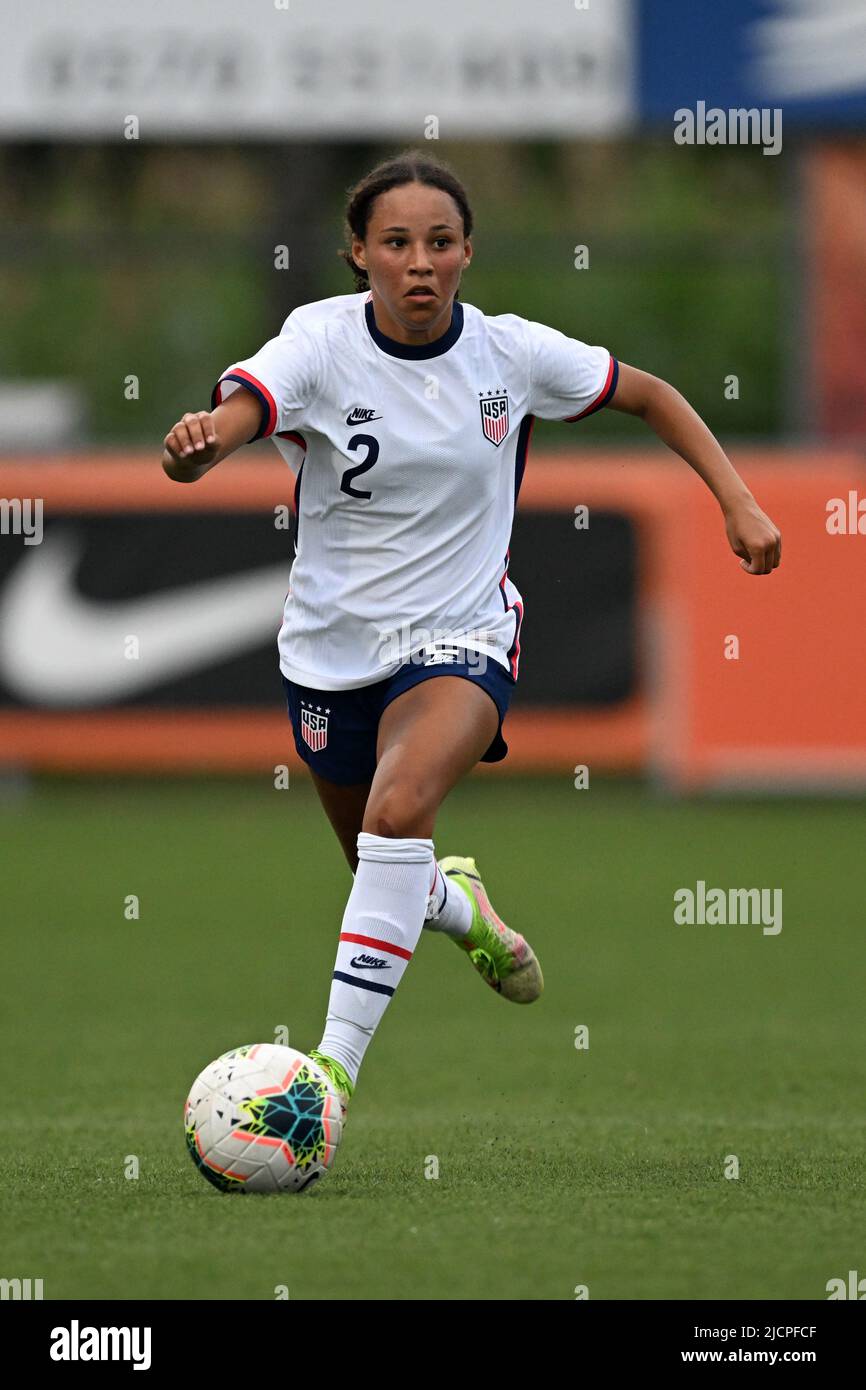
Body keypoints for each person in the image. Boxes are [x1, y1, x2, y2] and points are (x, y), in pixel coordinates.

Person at [161, 151, 781, 1126]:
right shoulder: (318, 341)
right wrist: (209, 439)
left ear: (465, 254)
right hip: (329, 650)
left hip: (461, 635)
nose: (419, 263)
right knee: (383, 862)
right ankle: (457, 905)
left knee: (397, 808)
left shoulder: (508, 354)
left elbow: (648, 393)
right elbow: (249, 406)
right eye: (396, 243)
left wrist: (736, 503)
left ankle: (324, 1079)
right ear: (356, 253)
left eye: (439, 243)